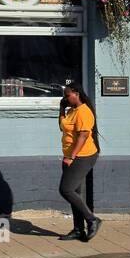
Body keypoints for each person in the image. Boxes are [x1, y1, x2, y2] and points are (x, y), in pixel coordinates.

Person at [58, 82, 102, 241]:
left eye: (67, 95)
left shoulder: (84, 112)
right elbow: (62, 127)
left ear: (76, 94)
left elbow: (83, 137)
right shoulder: (72, 111)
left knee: (66, 189)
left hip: (83, 156)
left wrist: (71, 157)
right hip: (73, 155)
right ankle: (78, 229)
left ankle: (92, 220)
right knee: (75, 192)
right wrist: (62, 108)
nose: (66, 98)